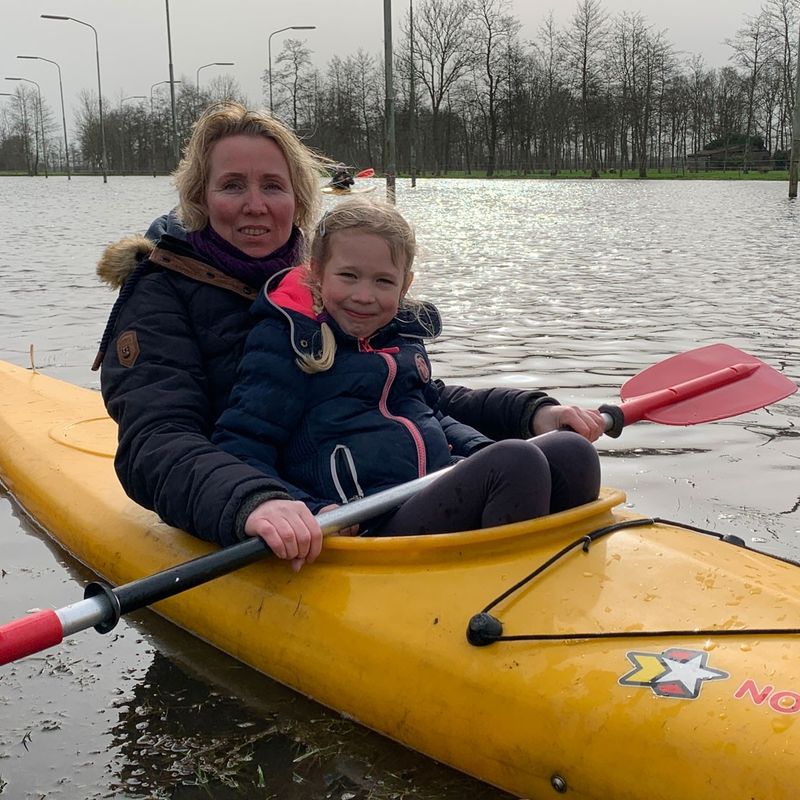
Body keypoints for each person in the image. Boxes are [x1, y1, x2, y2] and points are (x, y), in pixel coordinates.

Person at [93, 101, 604, 571]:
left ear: (297, 197)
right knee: (513, 463)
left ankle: (556, 584)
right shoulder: (160, 294)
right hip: (277, 503)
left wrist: (529, 413)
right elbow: (155, 442)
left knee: (567, 451)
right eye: (232, 185)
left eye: (272, 186)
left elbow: (414, 398)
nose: (255, 205)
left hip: (388, 484)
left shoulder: (339, 279)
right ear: (200, 197)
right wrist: (257, 499)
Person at [211, 198, 601, 538]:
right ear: (316, 272)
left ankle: (554, 566)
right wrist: (310, 508)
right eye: (348, 276)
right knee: (517, 462)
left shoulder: (399, 341)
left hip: (427, 494)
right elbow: (241, 446)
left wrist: (492, 442)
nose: (364, 296)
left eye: (383, 281)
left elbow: (431, 413)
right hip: (367, 524)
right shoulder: (286, 344)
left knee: (572, 452)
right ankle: (503, 594)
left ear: (405, 284)